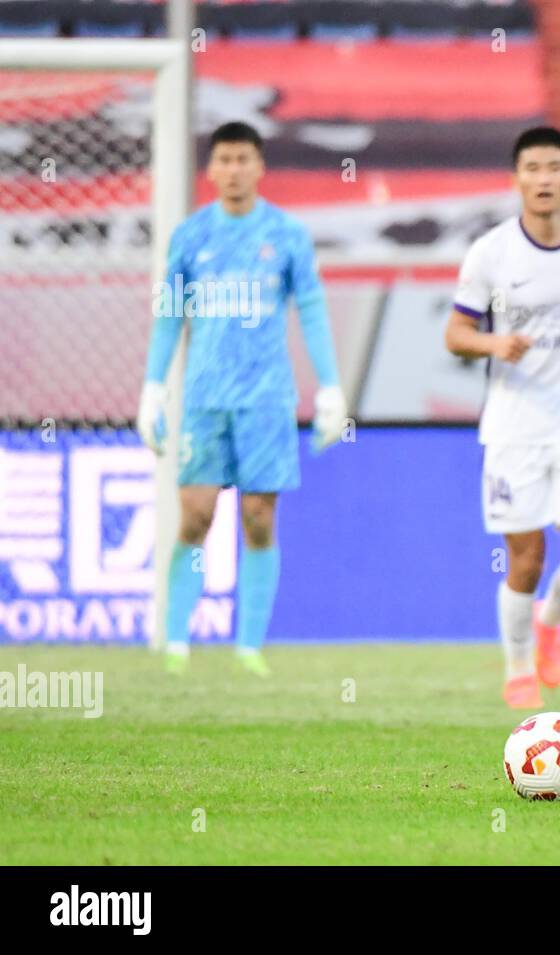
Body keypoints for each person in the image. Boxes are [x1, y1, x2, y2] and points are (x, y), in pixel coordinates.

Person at [137, 121, 347, 677]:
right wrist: (153, 391)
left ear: (259, 166)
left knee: (258, 517)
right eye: (224, 159)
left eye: (243, 159)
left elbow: (313, 310)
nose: (233, 169)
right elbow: (168, 318)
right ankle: (177, 642)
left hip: (266, 399)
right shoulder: (189, 236)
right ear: (211, 170)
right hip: (204, 397)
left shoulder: (287, 234)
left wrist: (330, 388)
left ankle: (249, 646)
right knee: (196, 515)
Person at [445, 127, 560, 710]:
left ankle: (550, 623)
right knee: (524, 561)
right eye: (533, 168)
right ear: (517, 179)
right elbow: (455, 334)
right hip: (513, 428)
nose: (545, 179)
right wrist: (492, 345)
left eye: (555, 168)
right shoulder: (491, 253)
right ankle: (518, 667)